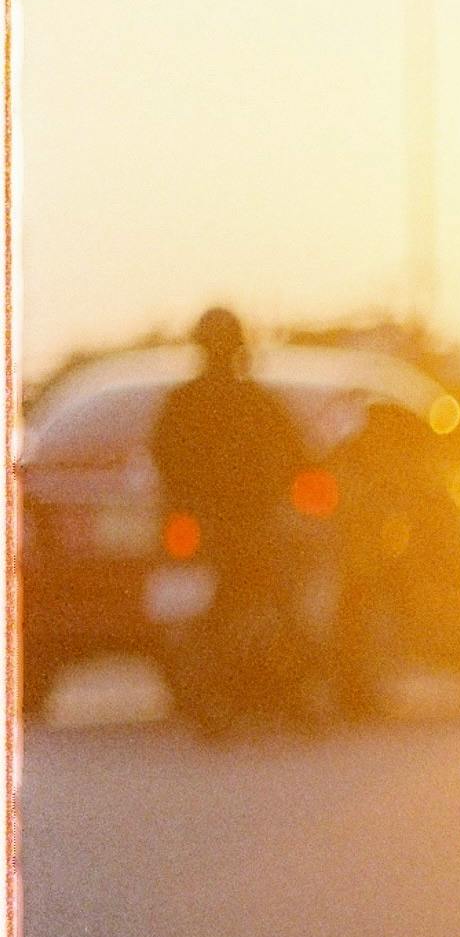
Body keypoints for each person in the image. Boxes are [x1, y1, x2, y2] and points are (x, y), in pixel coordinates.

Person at [150, 309, 311, 724]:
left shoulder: (194, 403)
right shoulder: (244, 401)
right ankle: (290, 693)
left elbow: (295, 458)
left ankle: (288, 691)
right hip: (228, 527)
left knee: (279, 601)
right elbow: (297, 456)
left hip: (235, 524)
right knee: (278, 602)